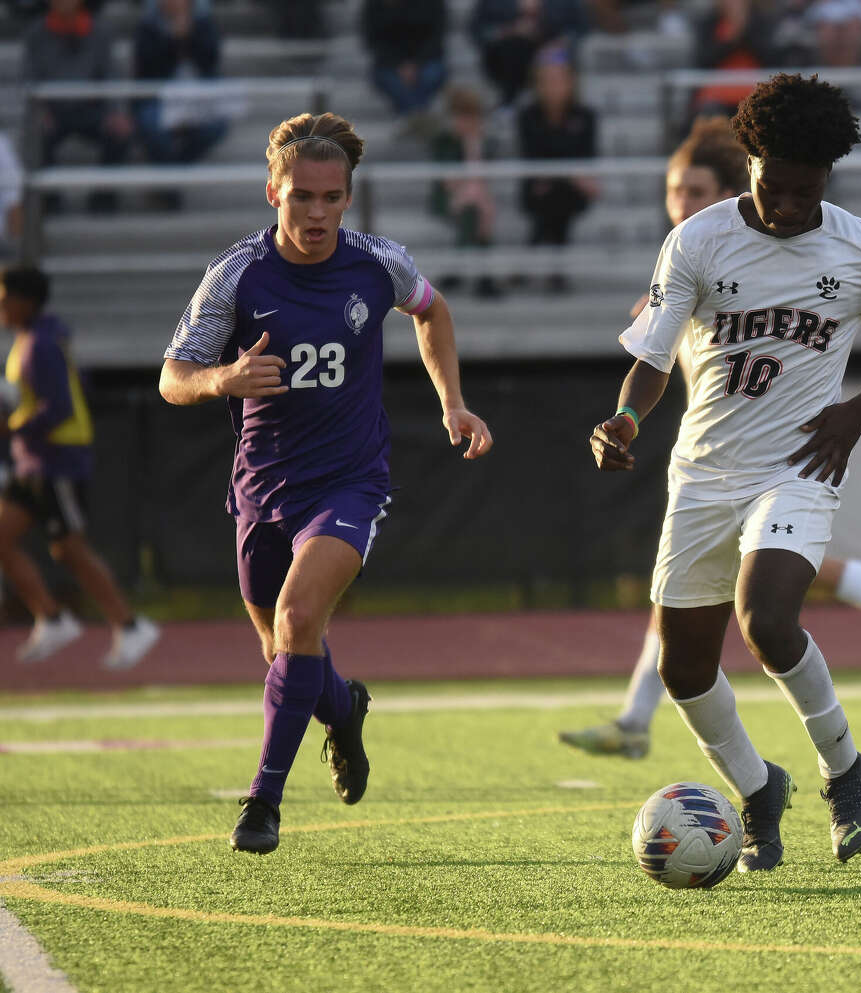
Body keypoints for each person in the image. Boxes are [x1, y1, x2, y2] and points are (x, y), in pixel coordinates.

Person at [588, 74, 861, 868]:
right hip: (702, 473)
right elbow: (651, 361)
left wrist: (857, 412)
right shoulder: (696, 239)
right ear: (749, 160)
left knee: (766, 619)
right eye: (773, 185)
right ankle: (758, 790)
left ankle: (846, 769)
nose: (788, 203)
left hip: (798, 464)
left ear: (829, 177)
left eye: (805, 190)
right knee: (682, 666)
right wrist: (625, 416)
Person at [158, 112, 494, 855]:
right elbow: (172, 378)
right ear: (272, 191)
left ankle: (262, 803)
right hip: (260, 487)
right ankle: (343, 710)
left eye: (331, 198)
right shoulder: (238, 273)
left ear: (348, 197)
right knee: (288, 651)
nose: (316, 213)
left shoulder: (378, 263)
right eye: (301, 197)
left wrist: (452, 402)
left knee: (298, 617)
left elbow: (432, 311)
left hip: (349, 481)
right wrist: (224, 378)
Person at [0, 266, 161, 668]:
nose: (0, 304)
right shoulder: (32, 339)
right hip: (32, 462)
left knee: (70, 549)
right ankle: (51, 618)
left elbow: (60, 407)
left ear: (25, 300)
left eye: (5, 295)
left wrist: (14, 425)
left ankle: (129, 626)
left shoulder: (41, 343)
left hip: (56, 460)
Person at [22, 0, 133, 212]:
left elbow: (111, 74)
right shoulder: (36, 34)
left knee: (121, 133)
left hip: (91, 108)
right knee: (36, 133)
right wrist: (40, 111)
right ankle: (50, 198)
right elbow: (28, 78)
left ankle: (103, 196)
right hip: (53, 110)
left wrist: (115, 111)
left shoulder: (100, 31)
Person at [517, 47, 598, 291]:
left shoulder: (585, 115)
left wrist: (562, 169)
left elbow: (585, 154)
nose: (554, 87)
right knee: (553, 198)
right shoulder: (528, 115)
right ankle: (555, 272)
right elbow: (534, 153)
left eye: (559, 80)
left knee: (558, 198)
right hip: (540, 186)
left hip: (570, 188)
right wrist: (565, 169)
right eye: (548, 80)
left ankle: (532, 259)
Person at [133, 0, 228, 205]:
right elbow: (147, 68)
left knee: (217, 126)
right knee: (151, 125)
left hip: (197, 99)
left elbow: (211, 60)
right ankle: (170, 187)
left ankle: (168, 180)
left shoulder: (204, 22)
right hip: (157, 97)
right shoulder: (148, 25)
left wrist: (189, 36)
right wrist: (172, 40)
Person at [429, 85, 503, 299]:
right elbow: (448, 181)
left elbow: (481, 176)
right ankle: (484, 278)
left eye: (472, 117)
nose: (468, 123)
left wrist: (472, 145)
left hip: (475, 198)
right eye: (462, 117)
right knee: (477, 209)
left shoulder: (484, 141)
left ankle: (457, 272)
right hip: (448, 197)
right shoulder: (445, 141)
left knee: (476, 207)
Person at [470, 0, 588, 107]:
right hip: (506, 54)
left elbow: (581, 27)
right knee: (513, 48)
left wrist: (561, 42)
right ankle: (510, 103)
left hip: (552, 49)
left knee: (553, 62)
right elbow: (477, 29)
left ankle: (559, 112)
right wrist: (506, 32)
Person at [361, 0, 447, 128]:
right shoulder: (375, 5)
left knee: (431, 75)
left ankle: (410, 118)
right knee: (390, 79)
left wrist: (416, 63)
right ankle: (418, 117)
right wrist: (399, 64)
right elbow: (373, 40)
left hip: (426, 59)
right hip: (390, 63)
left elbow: (437, 35)